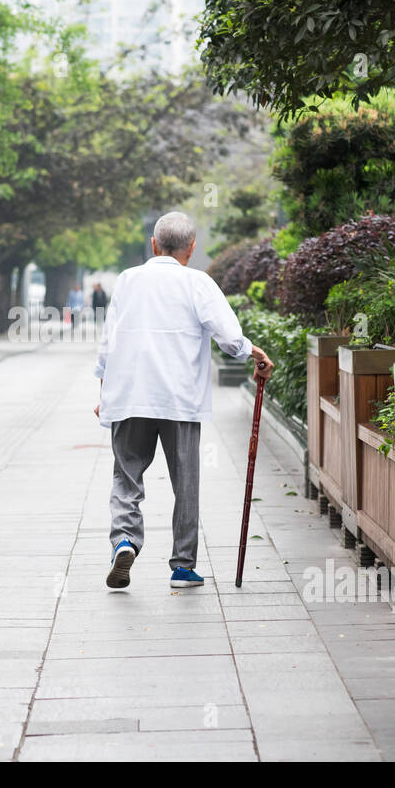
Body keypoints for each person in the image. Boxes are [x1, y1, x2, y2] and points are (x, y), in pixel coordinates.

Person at [93, 211, 272, 590]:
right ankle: (182, 567)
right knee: (186, 482)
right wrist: (252, 352)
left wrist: (105, 389)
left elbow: (109, 339)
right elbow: (227, 335)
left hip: (129, 395)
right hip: (179, 399)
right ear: (191, 248)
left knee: (126, 477)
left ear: (153, 245)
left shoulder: (127, 280)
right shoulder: (198, 283)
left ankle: (124, 540)